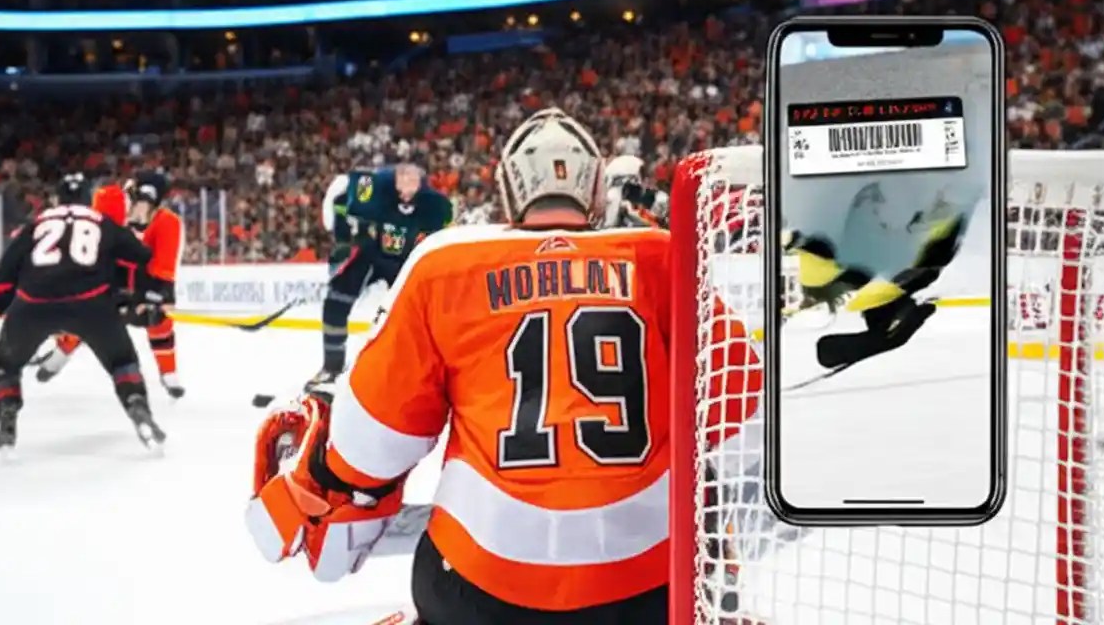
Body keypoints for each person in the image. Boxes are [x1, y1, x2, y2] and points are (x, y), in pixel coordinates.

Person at [245, 109, 758, 624]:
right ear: (596, 185)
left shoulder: (446, 261)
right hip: (648, 590)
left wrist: (323, 479)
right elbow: (734, 393)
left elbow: (374, 441)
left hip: (481, 589)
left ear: (510, 188)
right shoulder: (659, 254)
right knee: (702, 490)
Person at [0, 173, 166, 451]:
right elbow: (140, 255)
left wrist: (3, 306)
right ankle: (137, 407)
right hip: (91, 304)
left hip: (35, 304)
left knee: (6, 365)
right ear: (87, 199)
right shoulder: (100, 222)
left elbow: (4, 274)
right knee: (122, 362)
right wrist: (135, 296)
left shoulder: (36, 224)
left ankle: (7, 417)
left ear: (57, 199)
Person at [35, 173, 185, 400]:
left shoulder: (167, 223)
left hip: (140, 288)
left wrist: (155, 298)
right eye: (134, 199)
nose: (136, 206)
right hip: (106, 281)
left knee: (159, 320)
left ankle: (168, 372)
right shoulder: (111, 204)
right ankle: (63, 351)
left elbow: (163, 269)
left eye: (144, 202)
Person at [311, 162, 452, 386]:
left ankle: (427, 370)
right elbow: (339, 194)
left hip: (404, 258)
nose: (406, 186)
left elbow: (441, 236)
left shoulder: (434, 204)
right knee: (337, 299)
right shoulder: (374, 185)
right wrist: (343, 238)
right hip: (370, 250)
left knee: (421, 315)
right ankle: (331, 367)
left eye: (412, 179)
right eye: (402, 178)